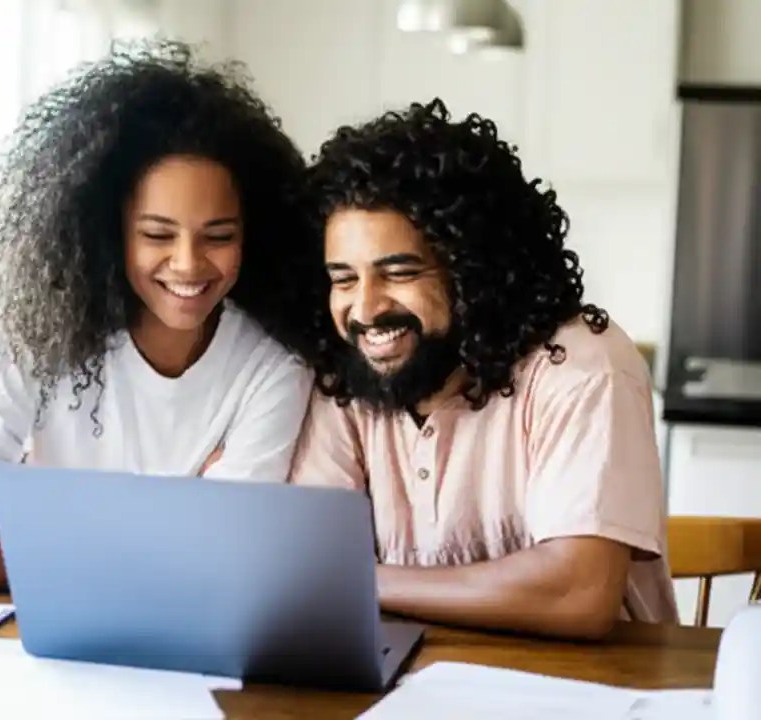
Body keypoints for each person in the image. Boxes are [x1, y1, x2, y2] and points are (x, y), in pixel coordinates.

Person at [0, 40, 324, 590]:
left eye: (219, 236)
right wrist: (170, 533)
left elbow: (221, 566)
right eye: (157, 235)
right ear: (110, 232)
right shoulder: (37, 339)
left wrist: (18, 520)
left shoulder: (273, 369)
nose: (189, 264)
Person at [290, 99, 679, 639]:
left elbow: (578, 593)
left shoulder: (582, 364)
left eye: (398, 272)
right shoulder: (345, 380)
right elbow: (304, 565)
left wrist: (359, 581)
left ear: (476, 270)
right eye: (344, 278)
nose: (366, 308)